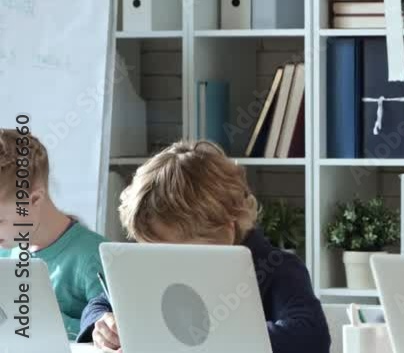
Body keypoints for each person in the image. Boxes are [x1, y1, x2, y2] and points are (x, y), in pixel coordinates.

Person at [77, 141, 330, 353]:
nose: (163, 263)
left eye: (177, 252)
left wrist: (200, 339)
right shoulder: (154, 265)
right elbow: (100, 303)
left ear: (226, 229)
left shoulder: (277, 269)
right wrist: (102, 323)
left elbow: (311, 335)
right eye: (153, 250)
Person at [0, 129, 107, 340]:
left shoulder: (95, 258)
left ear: (33, 200)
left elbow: (116, 336)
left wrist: (43, 320)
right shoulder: (6, 253)